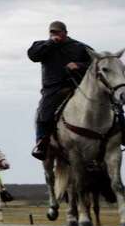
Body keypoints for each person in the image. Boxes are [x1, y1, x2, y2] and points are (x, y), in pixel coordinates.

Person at [27, 20, 93, 159]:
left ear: (65, 33)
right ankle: (42, 143)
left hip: (78, 87)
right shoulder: (42, 46)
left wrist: (79, 65)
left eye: (58, 32)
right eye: (52, 32)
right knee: (43, 113)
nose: (55, 34)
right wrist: (50, 43)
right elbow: (33, 56)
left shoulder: (80, 47)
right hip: (54, 88)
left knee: (107, 102)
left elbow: (97, 63)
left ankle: (121, 132)